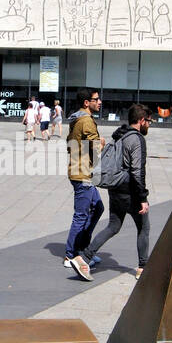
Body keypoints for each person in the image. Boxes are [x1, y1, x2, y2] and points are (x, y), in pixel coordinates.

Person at [71, 103, 150, 281]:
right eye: (149, 121)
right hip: (130, 192)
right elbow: (137, 171)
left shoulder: (119, 135)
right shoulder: (137, 139)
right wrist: (143, 198)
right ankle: (143, 268)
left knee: (113, 226)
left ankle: (83, 258)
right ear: (142, 120)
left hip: (115, 189)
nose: (149, 125)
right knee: (144, 228)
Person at [65, 89, 105, 267]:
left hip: (81, 171)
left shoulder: (75, 119)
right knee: (81, 215)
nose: (100, 102)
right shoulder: (86, 120)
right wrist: (101, 143)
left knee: (98, 208)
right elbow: (94, 149)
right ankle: (71, 255)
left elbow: (70, 144)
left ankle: (82, 250)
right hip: (83, 174)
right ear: (86, 103)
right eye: (96, 99)